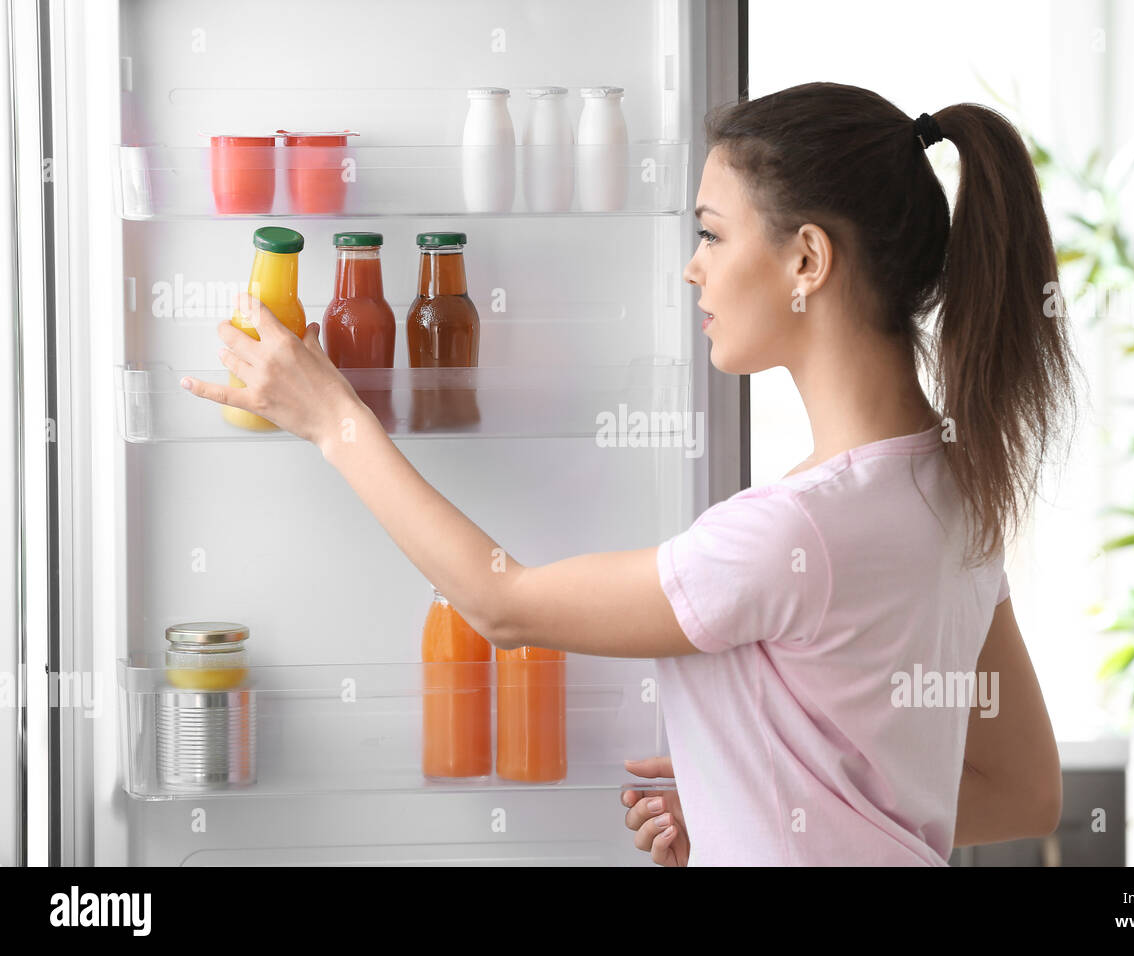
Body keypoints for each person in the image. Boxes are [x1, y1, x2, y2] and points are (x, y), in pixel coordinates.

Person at [181, 81, 1075, 866]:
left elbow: (502, 605)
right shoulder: (958, 493)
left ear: (807, 259)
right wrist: (753, 807)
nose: (693, 268)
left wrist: (335, 419)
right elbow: (1022, 791)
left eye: (713, 235)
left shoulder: (787, 535)